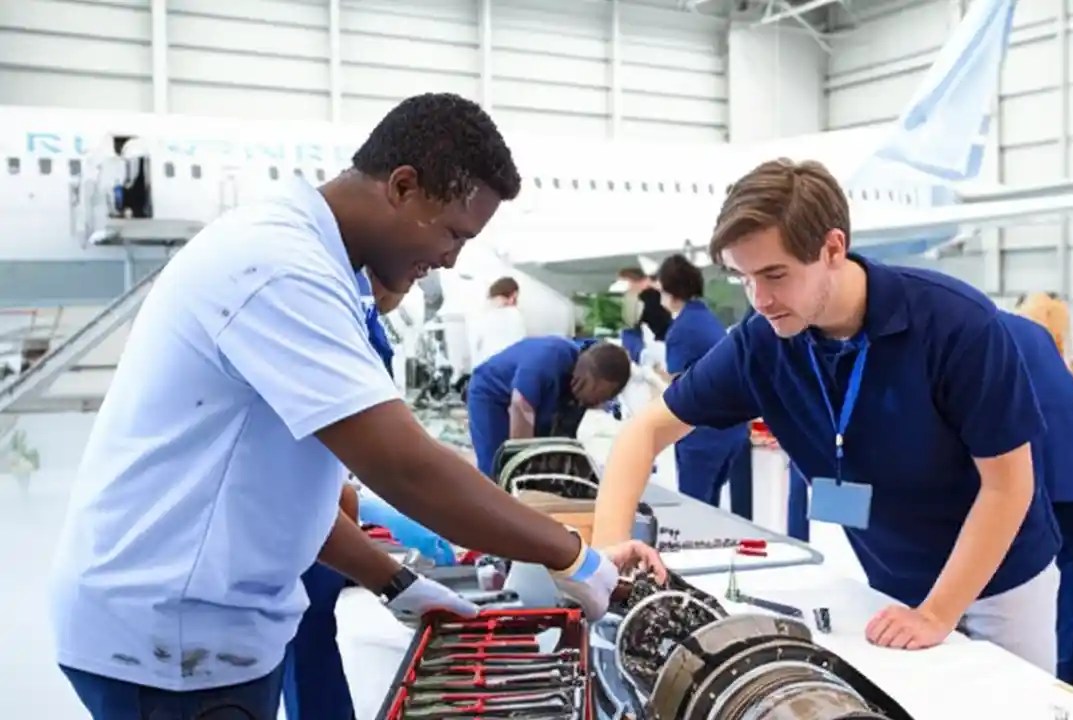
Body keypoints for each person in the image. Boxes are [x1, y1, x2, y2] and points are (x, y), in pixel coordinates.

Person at [48, 92, 665, 720]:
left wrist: (392, 580)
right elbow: (405, 467)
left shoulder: (320, 267)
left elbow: (281, 490)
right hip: (173, 645)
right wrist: (570, 554)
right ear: (402, 186)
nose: (452, 257)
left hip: (202, 630)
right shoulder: (281, 268)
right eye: (454, 232)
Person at [592, 158, 1062, 673]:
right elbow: (645, 429)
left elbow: (1008, 486)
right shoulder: (762, 344)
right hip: (890, 580)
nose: (761, 300)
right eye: (744, 278)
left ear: (832, 248)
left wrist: (937, 613)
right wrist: (609, 554)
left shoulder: (955, 325)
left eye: (775, 275)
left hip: (1002, 582)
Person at [281, 269, 410, 720]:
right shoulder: (328, 313)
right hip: (299, 540)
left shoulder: (361, 317)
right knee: (307, 652)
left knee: (312, 652)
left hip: (316, 524)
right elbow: (396, 463)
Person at [1010, 295, 1073, 690]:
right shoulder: (1037, 336)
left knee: (1006, 558)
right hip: (1063, 443)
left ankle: (1036, 670)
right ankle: (1064, 672)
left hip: (1019, 446)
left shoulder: (978, 328)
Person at [654, 254, 753, 518]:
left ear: (668, 289)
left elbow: (681, 385)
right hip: (730, 432)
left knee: (693, 511)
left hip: (703, 434)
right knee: (709, 508)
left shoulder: (681, 329)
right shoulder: (708, 319)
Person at [467, 337, 632, 478]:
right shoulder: (546, 360)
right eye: (595, 394)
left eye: (602, 399)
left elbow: (562, 442)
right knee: (498, 469)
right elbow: (520, 408)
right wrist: (520, 468)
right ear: (579, 378)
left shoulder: (586, 385)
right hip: (492, 396)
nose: (595, 402)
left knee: (548, 464)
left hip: (536, 399)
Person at [469, 276, 528, 370]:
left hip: (485, 371)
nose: (512, 301)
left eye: (515, 298)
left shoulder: (478, 315)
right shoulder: (513, 314)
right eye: (510, 297)